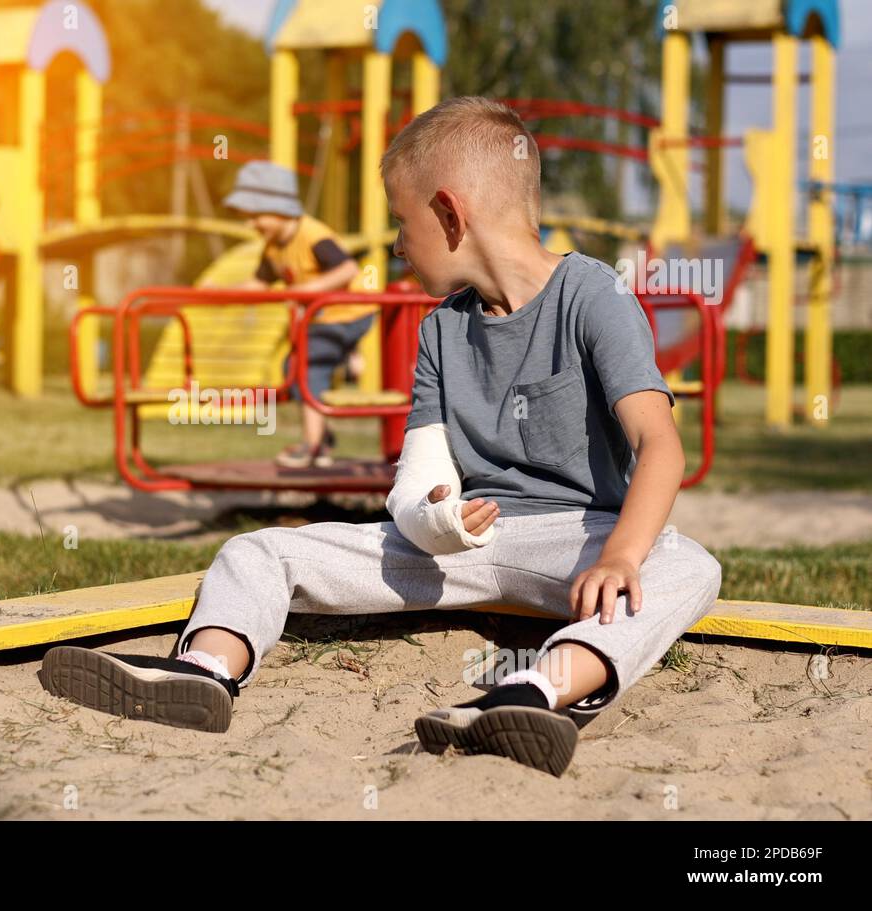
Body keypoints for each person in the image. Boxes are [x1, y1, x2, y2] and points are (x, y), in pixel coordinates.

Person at [39, 98, 721, 777]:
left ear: (451, 215)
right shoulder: (440, 329)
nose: (396, 243)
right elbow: (418, 474)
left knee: (688, 566)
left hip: (578, 538)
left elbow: (660, 445)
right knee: (261, 549)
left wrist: (622, 556)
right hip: (452, 543)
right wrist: (438, 518)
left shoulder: (593, 295)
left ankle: (534, 691)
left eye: (402, 220)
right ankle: (206, 669)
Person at [213, 159, 376, 468]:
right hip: (322, 318)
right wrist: (218, 294)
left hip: (351, 314)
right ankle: (323, 436)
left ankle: (313, 446)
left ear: (280, 207)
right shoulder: (273, 246)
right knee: (293, 365)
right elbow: (259, 284)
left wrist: (307, 290)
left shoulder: (313, 235)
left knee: (307, 364)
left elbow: (348, 269)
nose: (251, 225)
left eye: (256, 215)